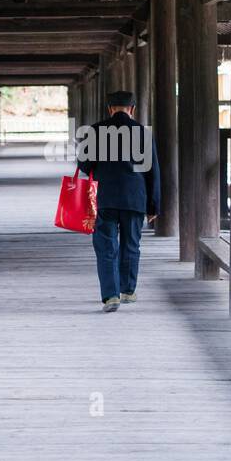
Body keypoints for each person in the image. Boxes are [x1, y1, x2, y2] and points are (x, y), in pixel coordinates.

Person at [76, 90, 160, 312]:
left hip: (104, 198)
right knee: (131, 245)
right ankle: (128, 290)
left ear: (110, 109)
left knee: (106, 246)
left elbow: (84, 166)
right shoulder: (142, 133)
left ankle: (110, 295)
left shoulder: (96, 131)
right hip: (135, 198)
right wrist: (153, 205)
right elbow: (152, 171)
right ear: (132, 109)